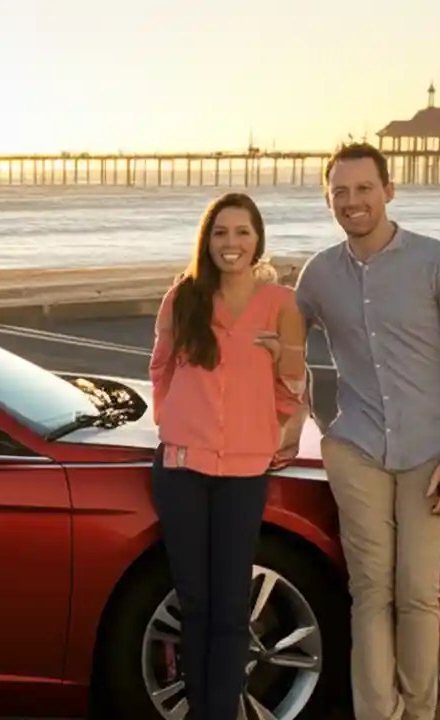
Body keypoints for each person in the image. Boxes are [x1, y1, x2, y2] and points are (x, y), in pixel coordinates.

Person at [293, 143, 440, 720]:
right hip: (355, 447)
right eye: (340, 192)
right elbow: (281, 339)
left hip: (431, 453)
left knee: (415, 591)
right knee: (370, 591)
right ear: (327, 200)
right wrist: (297, 414)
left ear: (389, 190)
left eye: (363, 189)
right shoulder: (319, 274)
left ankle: (418, 711)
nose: (352, 202)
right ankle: (376, 713)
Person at [148, 191, 308, 720]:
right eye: (221, 233)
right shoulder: (184, 297)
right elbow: (161, 368)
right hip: (181, 470)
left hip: (244, 471)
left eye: (242, 232)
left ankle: (220, 712)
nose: (231, 243)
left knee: (231, 606)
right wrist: (172, 422)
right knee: (193, 602)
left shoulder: (281, 304)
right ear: (207, 239)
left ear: (258, 238)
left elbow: (293, 382)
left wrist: (272, 425)